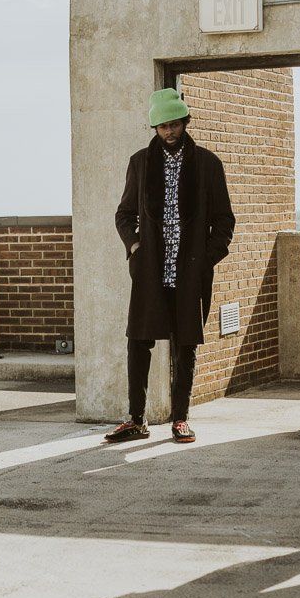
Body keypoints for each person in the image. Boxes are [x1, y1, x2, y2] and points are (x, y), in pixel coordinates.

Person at [106, 87, 235, 445]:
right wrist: (134, 247)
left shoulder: (208, 164)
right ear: (155, 128)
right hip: (150, 270)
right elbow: (124, 214)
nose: (169, 132)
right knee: (138, 341)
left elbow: (225, 221)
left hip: (189, 270)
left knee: (185, 345)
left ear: (185, 122)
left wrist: (206, 260)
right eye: (162, 127)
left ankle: (181, 419)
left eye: (174, 125)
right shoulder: (140, 163)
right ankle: (135, 419)